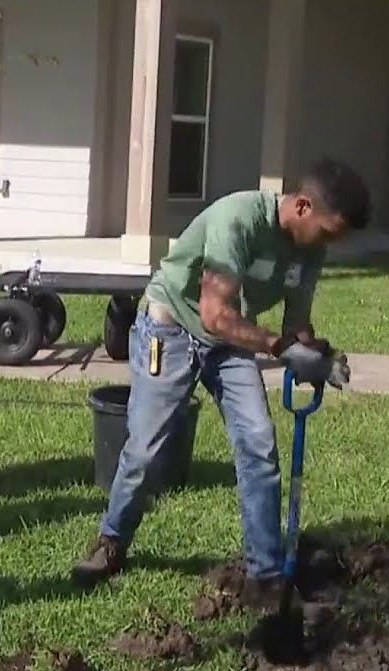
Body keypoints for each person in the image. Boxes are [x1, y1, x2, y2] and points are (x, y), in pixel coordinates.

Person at [70, 157, 369, 609]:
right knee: (147, 448)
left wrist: (316, 355)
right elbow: (214, 314)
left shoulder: (311, 249)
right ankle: (111, 541)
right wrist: (280, 346)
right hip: (169, 327)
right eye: (328, 233)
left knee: (259, 442)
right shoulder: (239, 220)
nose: (329, 244)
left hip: (229, 341)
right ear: (303, 207)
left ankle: (265, 575)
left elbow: (298, 324)